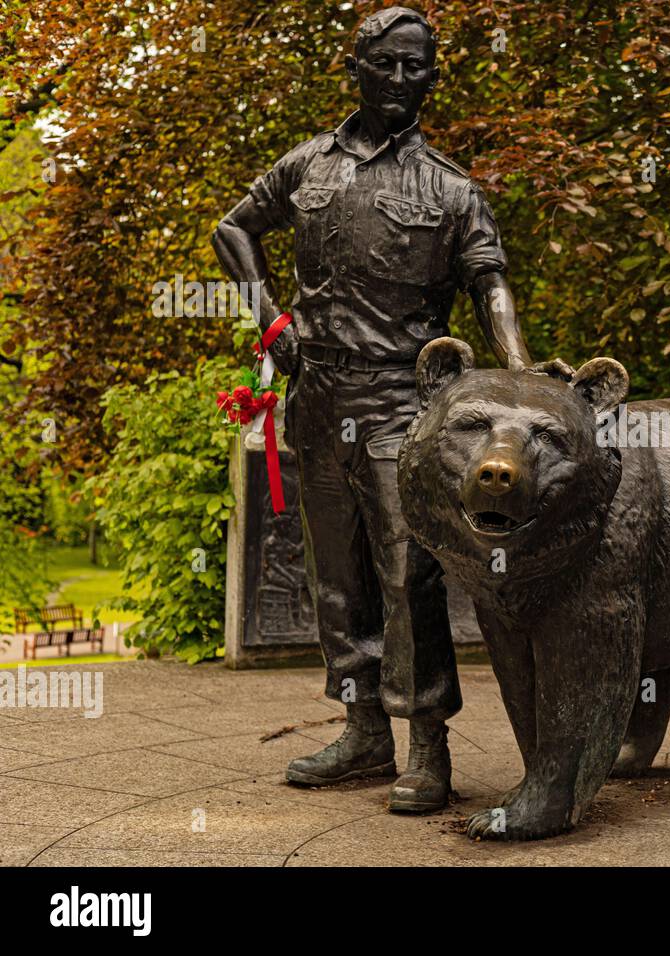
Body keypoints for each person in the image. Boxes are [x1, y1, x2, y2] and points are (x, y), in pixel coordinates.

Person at [212, 6, 530, 813]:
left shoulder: (450, 188)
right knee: (337, 573)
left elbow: (488, 278)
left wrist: (520, 369)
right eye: (386, 63)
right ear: (357, 66)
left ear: (431, 76)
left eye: (416, 67)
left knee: (406, 573)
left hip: (402, 399)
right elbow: (233, 229)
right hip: (317, 394)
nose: (400, 79)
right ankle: (361, 731)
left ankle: (427, 744)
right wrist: (271, 320)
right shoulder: (307, 167)